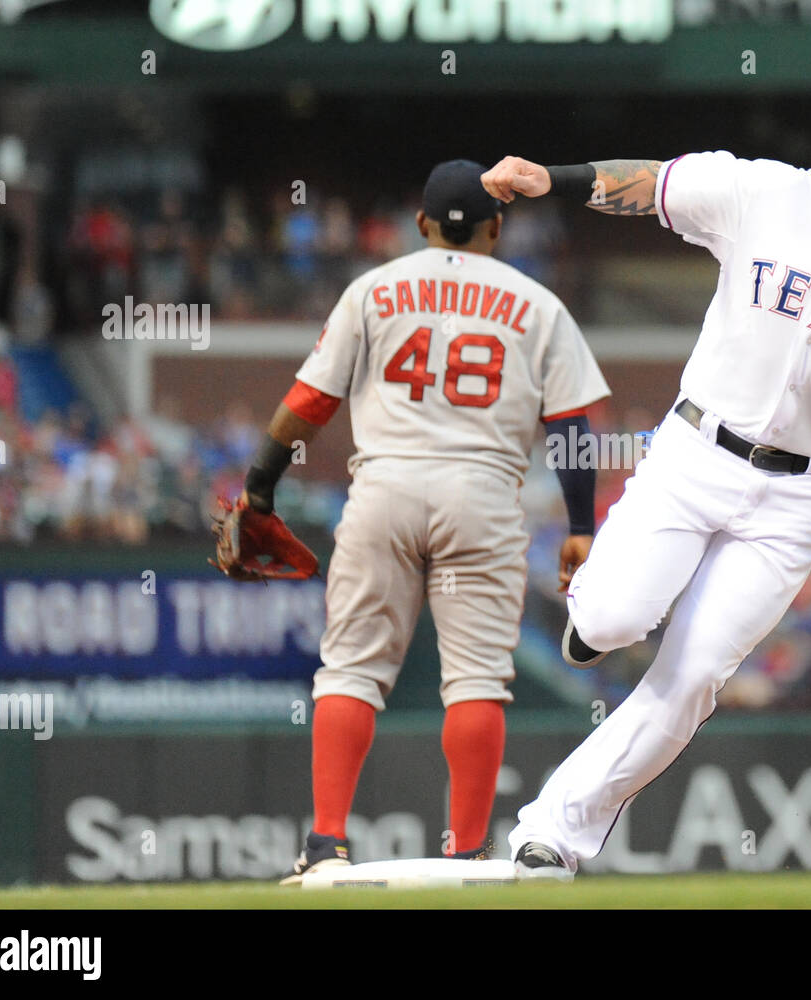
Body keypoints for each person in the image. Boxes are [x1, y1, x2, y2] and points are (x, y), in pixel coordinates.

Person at [481, 75, 811, 880]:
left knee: (691, 679)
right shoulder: (770, 193)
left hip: (802, 496)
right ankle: (594, 621)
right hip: (697, 451)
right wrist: (558, 181)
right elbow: (657, 183)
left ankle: (556, 835)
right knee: (612, 621)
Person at [245, 160, 610, 883]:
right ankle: (469, 851)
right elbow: (570, 426)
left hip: (384, 486)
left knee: (349, 669)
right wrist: (580, 524)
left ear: (419, 225)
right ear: (496, 227)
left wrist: (260, 488)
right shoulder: (536, 303)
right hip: (482, 494)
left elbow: (311, 402)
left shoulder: (374, 289)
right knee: (476, 680)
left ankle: (324, 845)